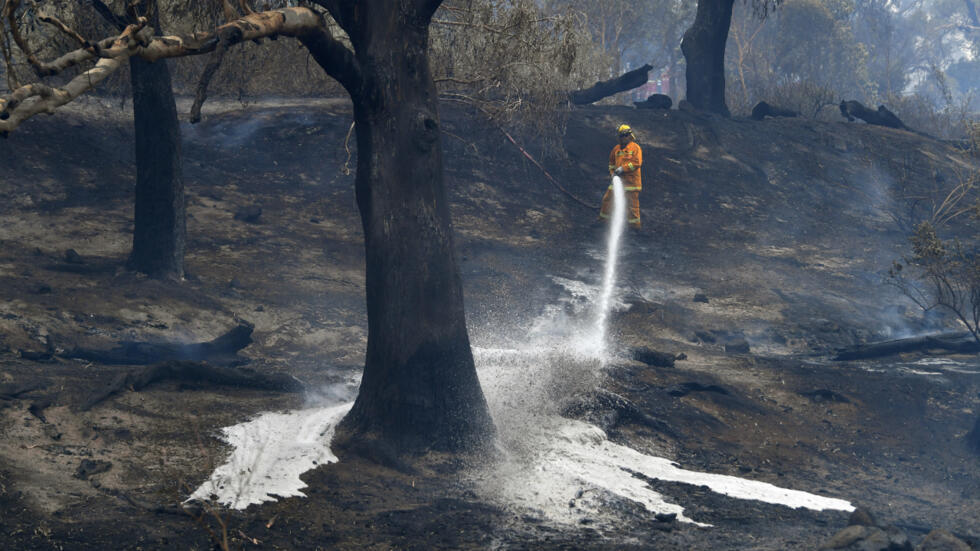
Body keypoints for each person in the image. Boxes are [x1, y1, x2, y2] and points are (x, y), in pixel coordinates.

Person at [600, 124, 643, 229]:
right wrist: (612, 174)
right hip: (617, 181)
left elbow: (637, 163)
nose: (622, 138)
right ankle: (603, 221)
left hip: (631, 183)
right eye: (621, 136)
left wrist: (623, 169)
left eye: (624, 136)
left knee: (632, 206)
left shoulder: (635, 148)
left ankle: (635, 227)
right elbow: (611, 163)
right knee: (607, 199)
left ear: (629, 136)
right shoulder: (616, 149)